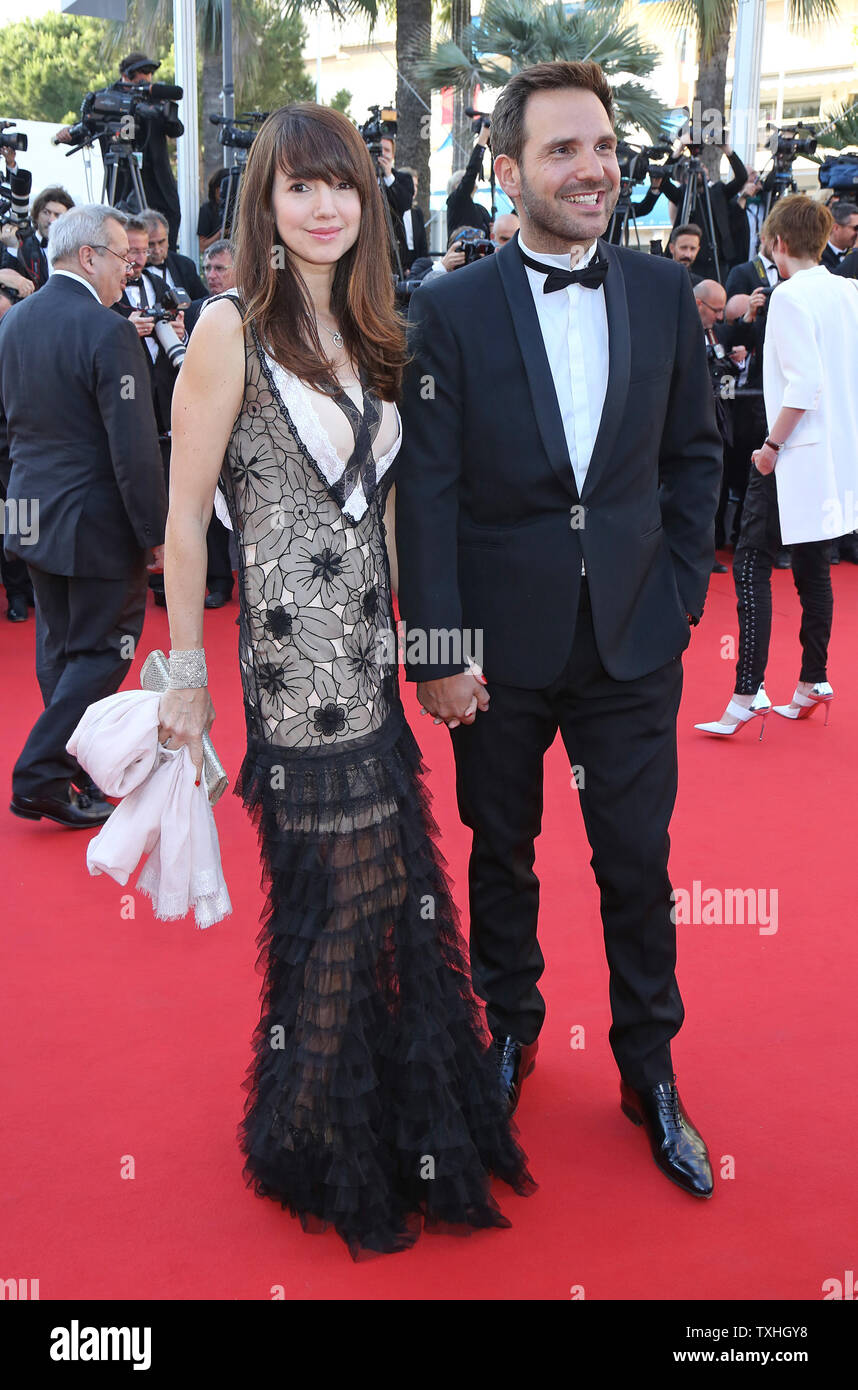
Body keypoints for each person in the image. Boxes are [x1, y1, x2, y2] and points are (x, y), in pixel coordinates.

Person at [157, 101, 534, 1258]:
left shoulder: (380, 330)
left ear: (368, 205)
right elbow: (181, 524)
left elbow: (407, 524)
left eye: (343, 188)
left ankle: (353, 1113)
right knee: (344, 904)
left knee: (383, 898)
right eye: (299, 188)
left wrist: (433, 657)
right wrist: (184, 678)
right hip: (289, 670)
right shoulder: (228, 328)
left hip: (370, 663)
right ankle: (312, 1124)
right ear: (264, 206)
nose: (324, 207)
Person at [396, 60, 723, 1199]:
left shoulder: (657, 296)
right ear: (508, 170)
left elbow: (693, 456)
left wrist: (681, 592)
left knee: (638, 863)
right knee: (505, 853)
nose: (592, 169)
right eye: (562, 151)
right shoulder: (445, 309)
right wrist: (437, 652)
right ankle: (511, 1034)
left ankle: (650, 1068)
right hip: (497, 650)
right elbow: (425, 497)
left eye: (603, 147)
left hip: (635, 639)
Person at [0, 204, 167, 826]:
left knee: (61, 647)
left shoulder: (15, 323)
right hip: (94, 522)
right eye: (123, 257)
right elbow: (134, 447)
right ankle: (42, 774)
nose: (130, 269)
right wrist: (155, 534)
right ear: (88, 256)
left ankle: (68, 774)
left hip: (31, 513)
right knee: (101, 651)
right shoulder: (108, 330)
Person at [695, 195, 858, 737]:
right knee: (814, 566)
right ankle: (813, 680)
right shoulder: (847, 290)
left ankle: (747, 692)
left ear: (779, 244)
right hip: (831, 457)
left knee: (750, 565)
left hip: (788, 456)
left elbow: (805, 386)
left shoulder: (789, 297)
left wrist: (769, 447)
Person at [142, 208, 207, 300]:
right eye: (151, 244)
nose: (157, 250)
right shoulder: (133, 269)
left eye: (161, 242)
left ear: (168, 238)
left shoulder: (185, 265)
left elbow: (201, 300)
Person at [17, 186, 74, 289]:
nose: (51, 220)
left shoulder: (72, 253)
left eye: (58, 215)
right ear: (36, 215)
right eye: (46, 212)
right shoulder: (20, 246)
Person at [447, 122, 493, 240]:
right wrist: (482, 140)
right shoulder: (455, 202)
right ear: (457, 185)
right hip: (462, 256)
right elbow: (471, 173)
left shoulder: (480, 210)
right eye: (464, 181)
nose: (472, 182)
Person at [819, 201, 858, 270]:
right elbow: (835, 277)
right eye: (856, 228)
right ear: (836, 228)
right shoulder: (819, 253)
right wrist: (854, 252)